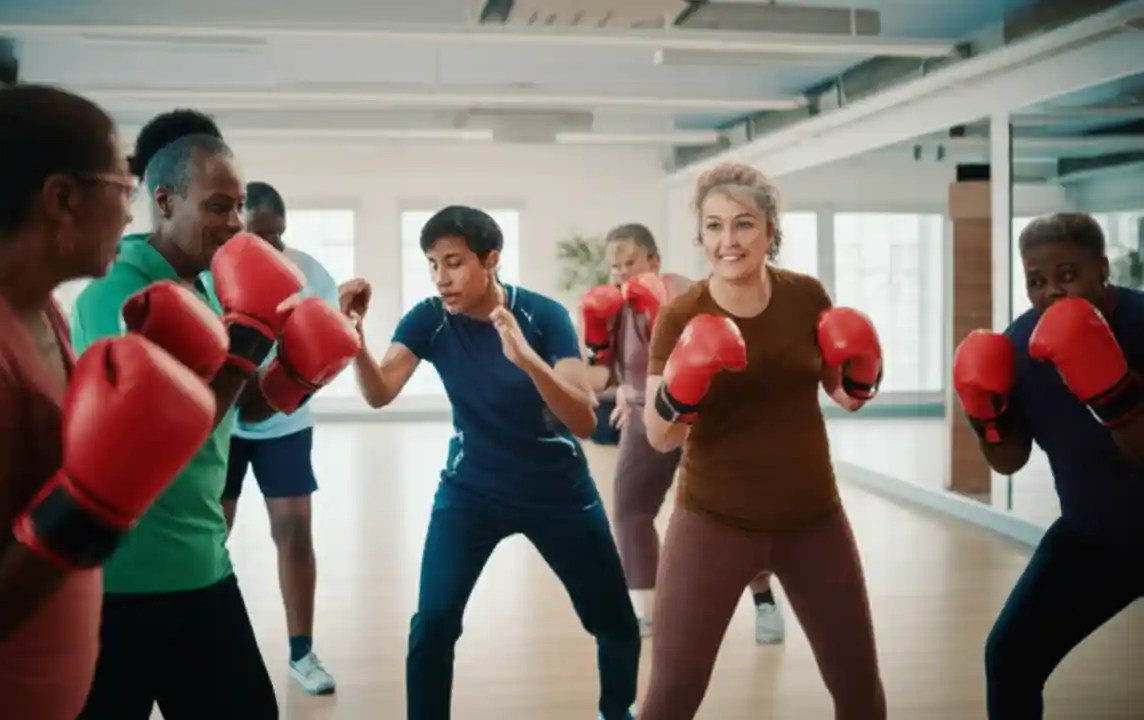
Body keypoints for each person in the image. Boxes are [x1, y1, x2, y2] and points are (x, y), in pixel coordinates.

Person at [0, 86, 217, 720]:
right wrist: (101, 493)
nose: (129, 210)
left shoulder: (30, 305)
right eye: (121, 187)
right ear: (61, 199)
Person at [70, 132, 358, 718]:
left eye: (238, 205)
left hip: (202, 563)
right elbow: (158, 434)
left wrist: (296, 375)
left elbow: (239, 407)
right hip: (121, 579)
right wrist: (249, 338)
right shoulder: (117, 291)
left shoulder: (204, 286)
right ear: (165, 201)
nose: (235, 224)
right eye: (218, 207)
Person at [343, 205, 640, 720]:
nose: (441, 278)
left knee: (614, 622)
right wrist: (355, 341)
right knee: (433, 622)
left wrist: (526, 359)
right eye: (433, 264)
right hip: (471, 491)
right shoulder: (429, 320)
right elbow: (380, 392)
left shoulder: (543, 317)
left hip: (557, 491)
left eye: (454, 263)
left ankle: (616, 712)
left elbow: (584, 420)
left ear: (491, 260)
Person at [637, 162, 887, 720]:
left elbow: (841, 393)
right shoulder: (683, 313)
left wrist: (864, 372)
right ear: (699, 235)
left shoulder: (805, 297)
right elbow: (659, 434)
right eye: (715, 226)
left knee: (858, 687)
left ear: (770, 231)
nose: (729, 241)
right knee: (672, 693)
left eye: (744, 224)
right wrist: (685, 385)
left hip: (813, 518)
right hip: (714, 519)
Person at [953, 213, 1144, 719]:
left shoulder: (1142, 325)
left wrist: (1113, 389)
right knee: (1009, 656)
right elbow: (1009, 460)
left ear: (1102, 269)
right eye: (1036, 281)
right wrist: (985, 418)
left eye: (1067, 274)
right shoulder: (1021, 346)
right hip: (1095, 537)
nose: (1051, 293)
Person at [581, 222, 786, 643]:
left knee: (732, 514)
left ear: (654, 260)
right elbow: (610, 373)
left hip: (704, 418)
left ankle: (764, 602)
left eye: (630, 262)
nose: (620, 273)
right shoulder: (612, 309)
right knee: (631, 510)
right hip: (644, 416)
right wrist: (618, 388)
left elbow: (717, 350)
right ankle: (646, 614)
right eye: (614, 266)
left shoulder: (685, 293)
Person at [221, 181, 341, 694]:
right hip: (220, 423)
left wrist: (300, 383)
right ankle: (207, 643)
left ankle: (302, 652)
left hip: (285, 423)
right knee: (209, 537)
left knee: (294, 533)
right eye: (259, 235)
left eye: (278, 235)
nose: (271, 246)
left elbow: (329, 347)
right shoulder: (209, 273)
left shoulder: (310, 273)